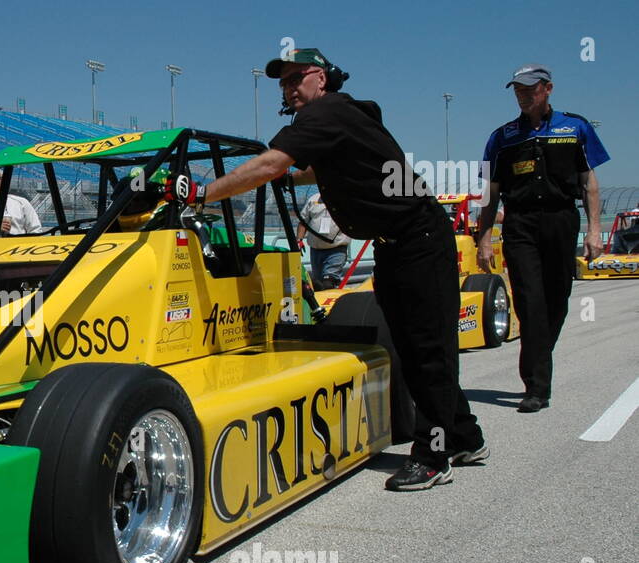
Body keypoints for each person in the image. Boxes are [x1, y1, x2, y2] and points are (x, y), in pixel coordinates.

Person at [201, 48, 485, 491]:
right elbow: (316, 171)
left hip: (419, 242)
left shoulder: (327, 111)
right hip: (399, 244)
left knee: (429, 350)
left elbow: (273, 162)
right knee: (414, 349)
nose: (289, 88)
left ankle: (433, 457)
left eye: (297, 78)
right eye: (283, 82)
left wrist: (202, 195)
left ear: (321, 77)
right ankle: (465, 436)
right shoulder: (339, 118)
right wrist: (286, 177)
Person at [476, 64, 609, 413]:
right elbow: (490, 193)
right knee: (530, 301)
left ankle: (539, 357)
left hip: (561, 220)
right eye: (517, 91)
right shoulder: (501, 137)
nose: (523, 96)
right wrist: (484, 238)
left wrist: (594, 230)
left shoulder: (575, 127)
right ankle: (536, 386)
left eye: (529, 90)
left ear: (547, 88)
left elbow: (589, 183)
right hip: (520, 225)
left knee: (557, 300)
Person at [296, 191, 351, 289]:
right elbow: (303, 221)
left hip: (336, 249)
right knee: (318, 284)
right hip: (316, 250)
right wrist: (299, 240)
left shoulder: (345, 199)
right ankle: (323, 303)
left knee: (328, 283)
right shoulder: (313, 199)